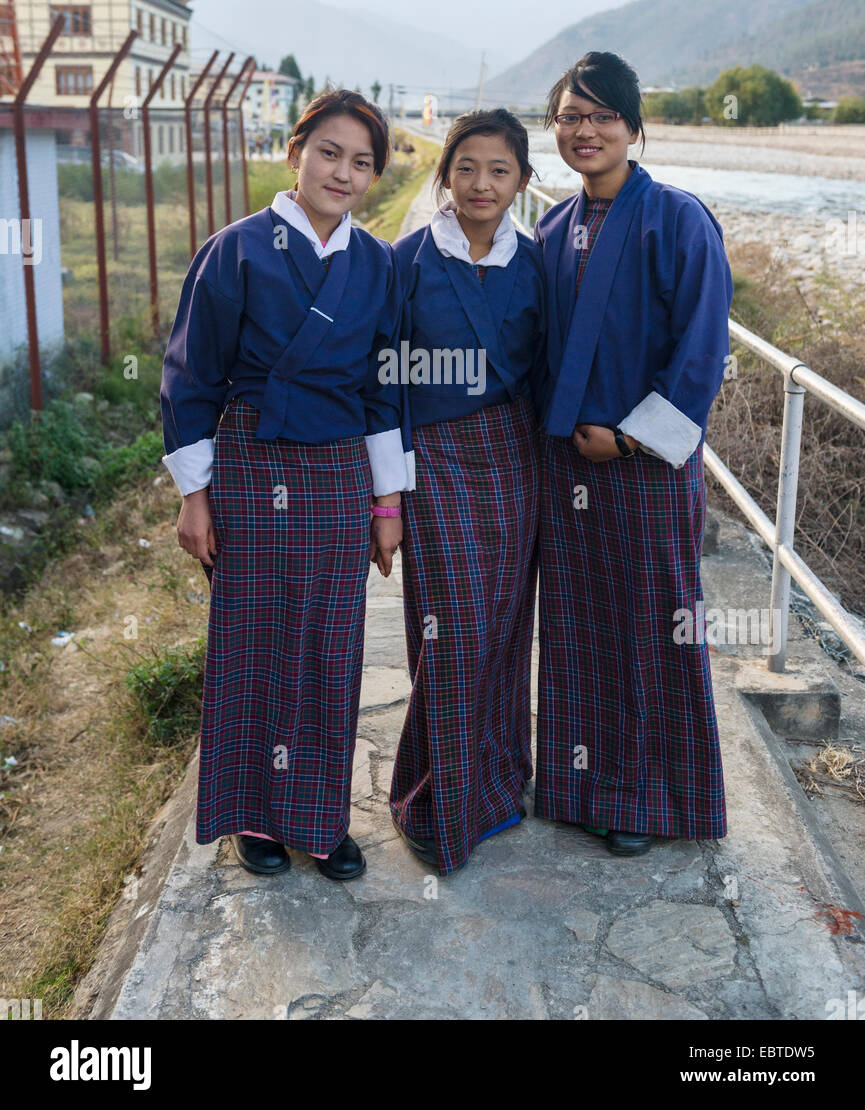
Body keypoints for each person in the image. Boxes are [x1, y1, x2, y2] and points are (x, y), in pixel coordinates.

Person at [160, 89, 411, 880]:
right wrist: (194, 496)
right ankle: (254, 819)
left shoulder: (374, 262)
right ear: (294, 152)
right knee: (254, 641)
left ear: (374, 176)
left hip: (337, 471)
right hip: (251, 464)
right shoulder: (235, 249)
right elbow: (189, 376)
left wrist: (385, 503)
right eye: (329, 152)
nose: (343, 172)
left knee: (330, 647)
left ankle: (318, 818)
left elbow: (382, 391)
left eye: (362, 162)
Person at [533, 51, 732, 856]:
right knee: (578, 624)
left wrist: (628, 437)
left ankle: (647, 799)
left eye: (600, 115)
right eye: (569, 117)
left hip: (642, 466)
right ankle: (579, 783)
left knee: (651, 625)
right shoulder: (552, 225)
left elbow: (701, 349)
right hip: (563, 465)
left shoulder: (678, 219)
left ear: (632, 126)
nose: (585, 131)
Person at [388, 108, 546, 875]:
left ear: (521, 180)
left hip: (514, 459)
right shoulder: (406, 261)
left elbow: (553, 365)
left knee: (505, 628)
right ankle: (433, 803)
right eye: (466, 168)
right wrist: (386, 495)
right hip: (438, 462)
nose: (481, 185)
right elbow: (380, 379)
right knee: (449, 632)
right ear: (443, 173)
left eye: (500, 170)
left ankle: (496, 784)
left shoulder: (538, 261)